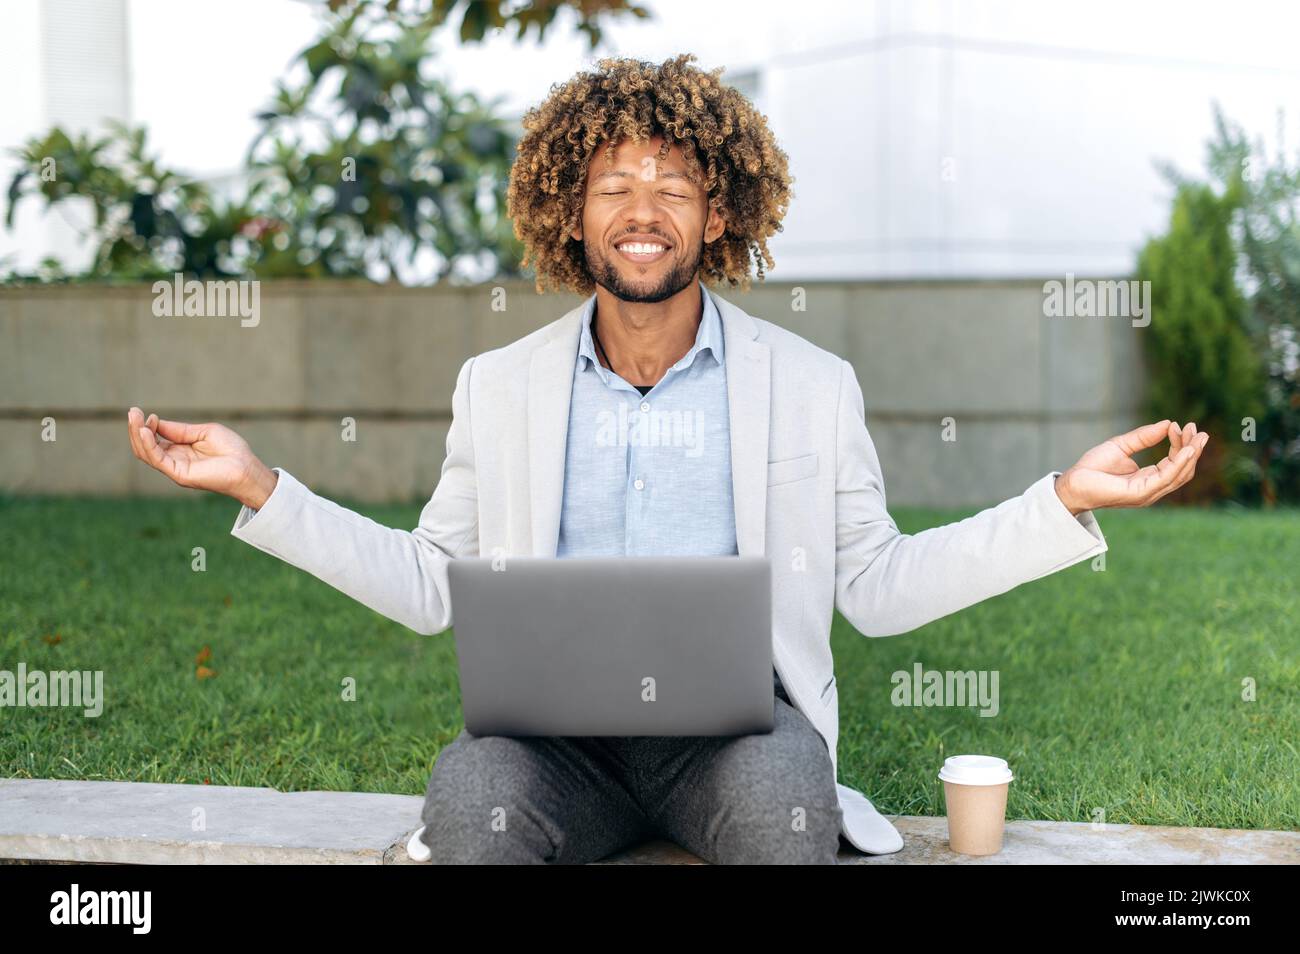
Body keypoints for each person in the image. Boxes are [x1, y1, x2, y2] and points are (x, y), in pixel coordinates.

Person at [125, 53, 1207, 864]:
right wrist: (260, 487)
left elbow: (877, 586)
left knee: (786, 809)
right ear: (571, 210)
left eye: (673, 185)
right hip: (554, 746)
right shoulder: (497, 387)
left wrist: (1061, 500)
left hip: (738, 740)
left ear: (716, 212)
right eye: (613, 186)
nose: (641, 213)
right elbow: (427, 584)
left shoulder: (811, 384)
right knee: (468, 805)